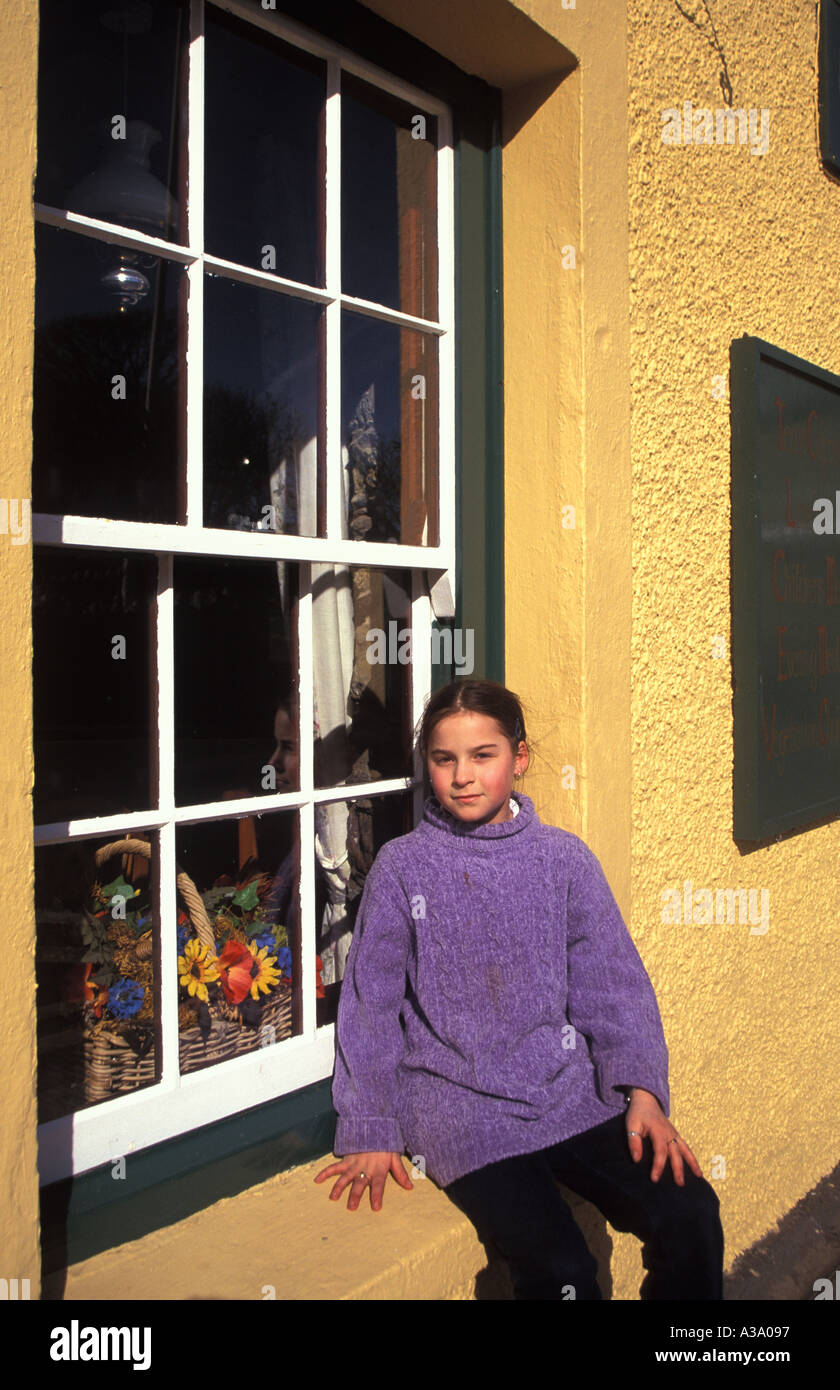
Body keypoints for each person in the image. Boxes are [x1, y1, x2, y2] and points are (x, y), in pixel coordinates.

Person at [314, 678, 724, 1300]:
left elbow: (611, 983)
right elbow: (371, 1006)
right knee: (562, 1272)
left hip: (569, 1093)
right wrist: (370, 1123)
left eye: (484, 756)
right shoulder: (402, 867)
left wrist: (642, 1089)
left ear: (520, 758)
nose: (463, 777)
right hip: (460, 1110)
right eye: (444, 759)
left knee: (691, 1214)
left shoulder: (565, 860)